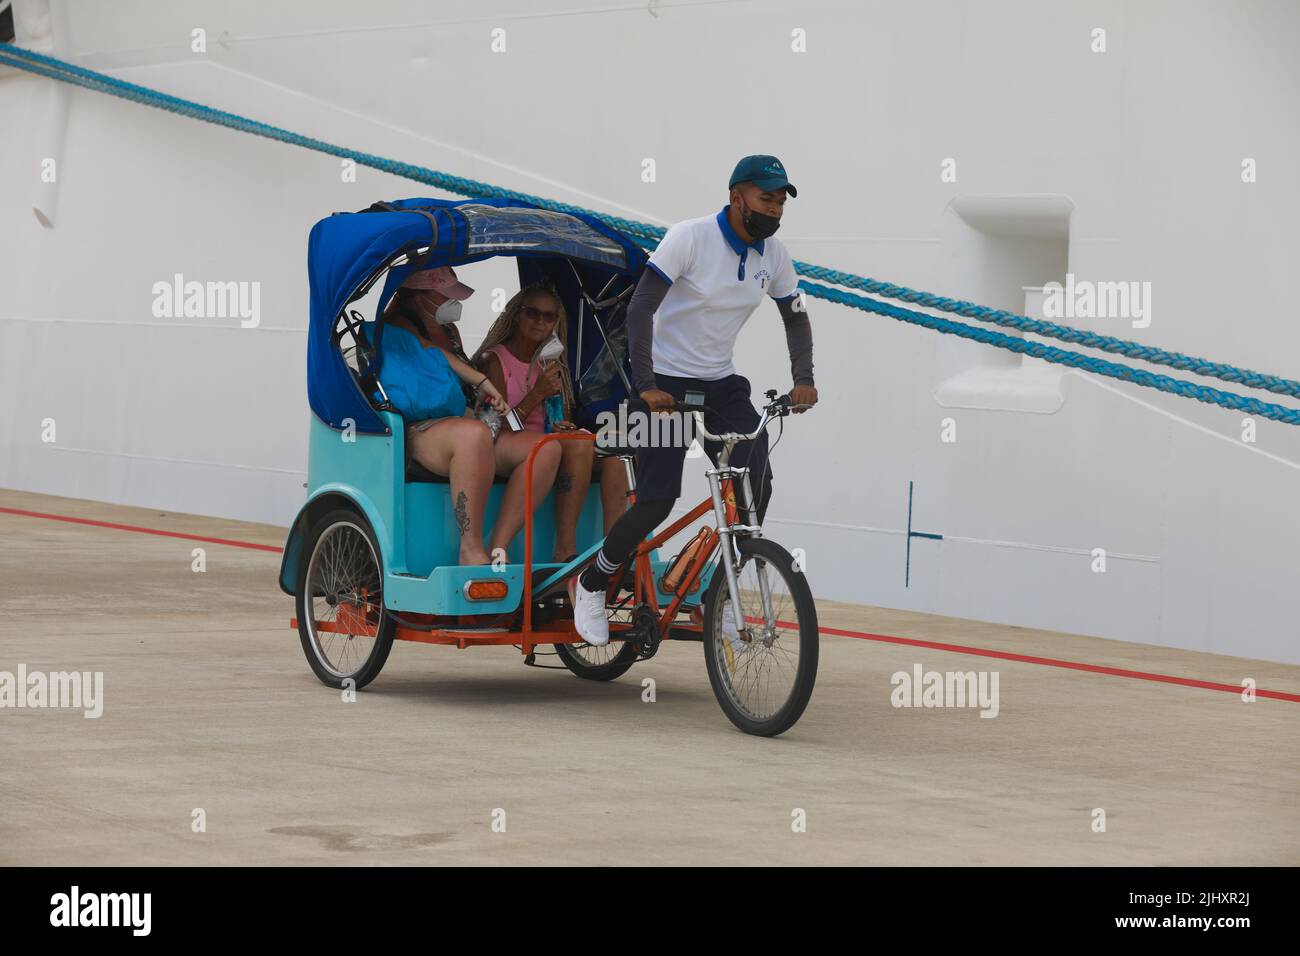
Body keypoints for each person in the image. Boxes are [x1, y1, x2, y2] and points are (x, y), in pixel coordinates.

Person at [569, 155, 818, 646]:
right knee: (658, 499)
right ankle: (593, 583)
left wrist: (803, 378)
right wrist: (645, 386)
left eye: (781, 200)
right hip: (662, 384)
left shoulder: (775, 255)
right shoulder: (690, 237)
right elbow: (642, 308)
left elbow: (795, 314)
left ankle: (716, 597)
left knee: (755, 483)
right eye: (766, 198)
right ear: (737, 197)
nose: (775, 209)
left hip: (721, 385)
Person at [379, 266, 561, 564]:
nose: (454, 303)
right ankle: (470, 549)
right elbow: (434, 355)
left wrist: (491, 407)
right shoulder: (399, 324)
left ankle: (500, 546)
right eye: (445, 296)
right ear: (419, 297)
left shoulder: (449, 330)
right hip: (422, 425)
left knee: (545, 448)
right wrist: (484, 381)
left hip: (463, 421)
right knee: (473, 434)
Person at [473, 283, 629, 562]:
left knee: (614, 451)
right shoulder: (494, 359)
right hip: (505, 444)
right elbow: (495, 426)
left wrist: (562, 424)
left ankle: (614, 551)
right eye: (532, 313)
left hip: (544, 442)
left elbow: (557, 416)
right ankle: (565, 549)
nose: (540, 322)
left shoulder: (549, 361)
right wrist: (537, 394)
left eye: (548, 316)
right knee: (577, 448)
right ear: (516, 315)